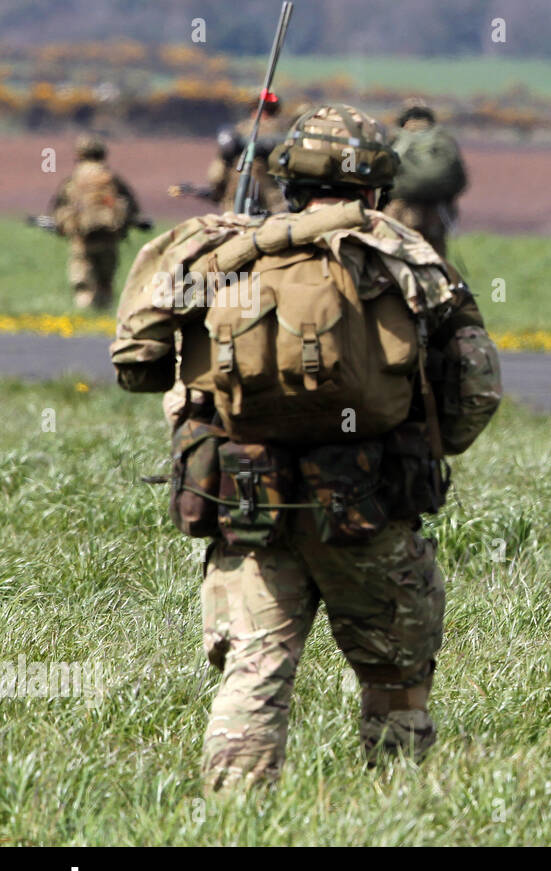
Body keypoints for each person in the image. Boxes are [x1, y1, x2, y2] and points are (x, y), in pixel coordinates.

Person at [109, 104, 502, 793]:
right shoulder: (408, 255)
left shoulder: (218, 250)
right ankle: (397, 811)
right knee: (396, 674)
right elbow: (475, 390)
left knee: (255, 669)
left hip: (248, 503)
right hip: (369, 503)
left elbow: (136, 364)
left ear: (286, 179)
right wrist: (423, 436)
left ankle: (234, 817)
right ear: (378, 187)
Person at [48, 135, 141, 309]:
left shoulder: (73, 180)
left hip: (81, 239)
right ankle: (103, 314)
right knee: (105, 282)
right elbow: (132, 207)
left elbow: (58, 207)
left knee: (82, 282)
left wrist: (63, 225)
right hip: (109, 238)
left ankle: (84, 313)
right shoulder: (111, 178)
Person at [385, 98, 468, 258]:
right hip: (438, 213)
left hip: (401, 213)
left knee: (402, 261)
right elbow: (460, 181)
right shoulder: (443, 139)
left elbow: (381, 176)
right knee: (437, 262)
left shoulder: (396, 139)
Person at [204, 93, 289, 214]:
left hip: (237, 197)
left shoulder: (238, 132)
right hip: (274, 201)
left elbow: (217, 173)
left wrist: (217, 191)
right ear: (276, 110)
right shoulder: (285, 132)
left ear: (253, 110)